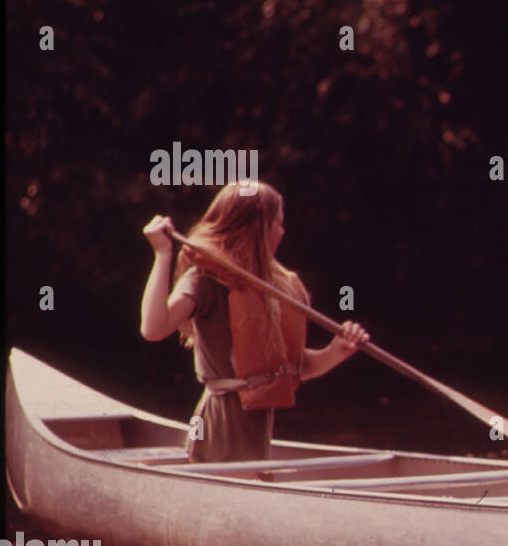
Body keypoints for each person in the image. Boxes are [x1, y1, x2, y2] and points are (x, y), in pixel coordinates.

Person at [140, 181, 370, 462]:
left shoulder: (269, 288)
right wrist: (162, 255)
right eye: (278, 223)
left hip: (256, 431)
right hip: (220, 429)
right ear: (258, 229)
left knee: (255, 476)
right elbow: (154, 329)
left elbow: (288, 369)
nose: (283, 232)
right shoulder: (204, 280)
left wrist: (337, 351)